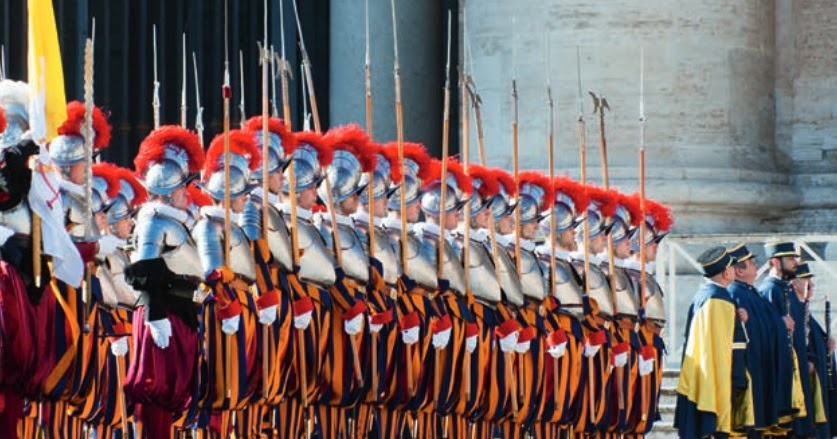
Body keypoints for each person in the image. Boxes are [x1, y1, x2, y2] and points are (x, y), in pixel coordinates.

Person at [125, 125, 205, 438]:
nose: (188, 191)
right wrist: (155, 315)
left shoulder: (181, 220)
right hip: (161, 313)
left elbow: (189, 274)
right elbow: (145, 270)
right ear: (169, 190)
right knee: (156, 394)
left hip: (180, 311)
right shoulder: (153, 219)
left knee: (174, 397)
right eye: (183, 186)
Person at [675, 246, 752, 439]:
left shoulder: (707, 295)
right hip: (722, 379)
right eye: (733, 267)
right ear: (726, 272)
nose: (735, 270)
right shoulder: (718, 300)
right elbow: (718, 351)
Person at [728, 243, 799, 437]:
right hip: (753, 367)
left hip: (765, 366)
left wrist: (779, 322)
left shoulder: (750, 291)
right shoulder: (736, 293)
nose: (755, 266)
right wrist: (779, 322)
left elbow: (766, 321)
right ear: (740, 270)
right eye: (751, 262)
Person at [759, 241, 813, 437]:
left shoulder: (786, 288)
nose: (794, 263)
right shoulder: (769, 289)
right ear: (775, 261)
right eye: (790, 258)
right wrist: (777, 322)